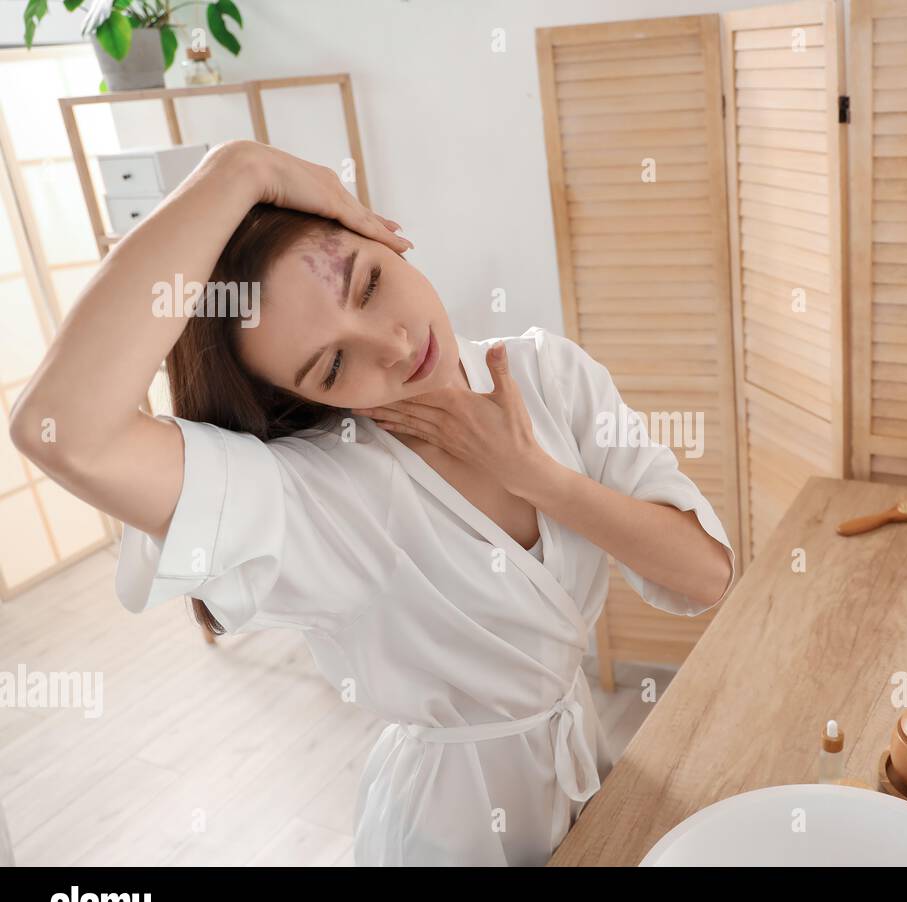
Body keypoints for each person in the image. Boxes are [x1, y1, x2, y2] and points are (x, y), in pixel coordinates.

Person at [9, 140, 735, 865]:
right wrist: (238, 170)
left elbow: (704, 575)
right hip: (448, 833)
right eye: (332, 366)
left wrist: (534, 475)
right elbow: (62, 430)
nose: (392, 346)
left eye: (369, 285)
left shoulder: (548, 374)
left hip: (591, 780)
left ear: (382, 235)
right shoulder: (317, 491)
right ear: (299, 398)